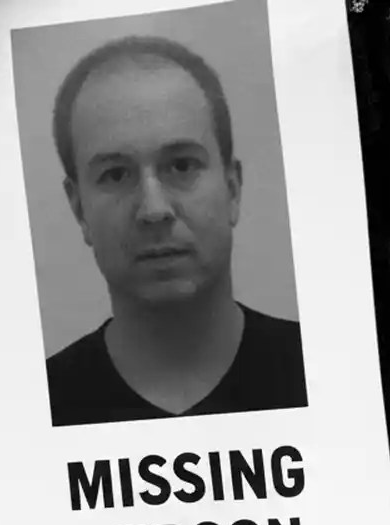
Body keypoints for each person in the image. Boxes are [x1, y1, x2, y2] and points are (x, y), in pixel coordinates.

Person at [43, 35, 308, 427]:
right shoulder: (30, 413)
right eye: (115, 174)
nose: (154, 210)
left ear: (232, 189)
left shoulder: (331, 371)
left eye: (182, 166)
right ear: (79, 208)